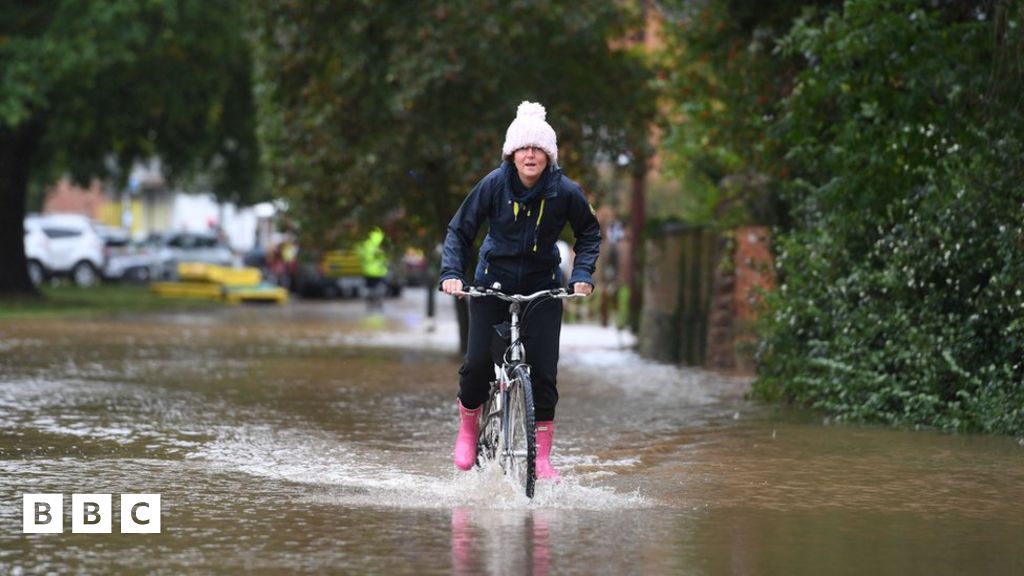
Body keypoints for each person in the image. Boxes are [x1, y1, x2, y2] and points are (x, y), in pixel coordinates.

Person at [439, 101, 601, 480]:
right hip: (491, 284)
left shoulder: (564, 191)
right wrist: (452, 273)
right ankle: (467, 430)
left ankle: (541, 459)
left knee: (544, 373)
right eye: (523, 149)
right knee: (477, 364)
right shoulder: (493, 185)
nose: (530, 155)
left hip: (542, 289)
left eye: (538, 149)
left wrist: (582, 273)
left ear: (548, 155)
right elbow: (459, 231)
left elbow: (589, 232)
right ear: (512, 154)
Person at [358, 227, 389, 310]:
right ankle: (377, 304)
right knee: (379, 289)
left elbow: (361, 256)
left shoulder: (366, 245)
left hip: (369, 272)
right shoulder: (382, 246)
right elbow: (386, 259)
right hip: (380, 272)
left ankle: (371, 304)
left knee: (370, 290)